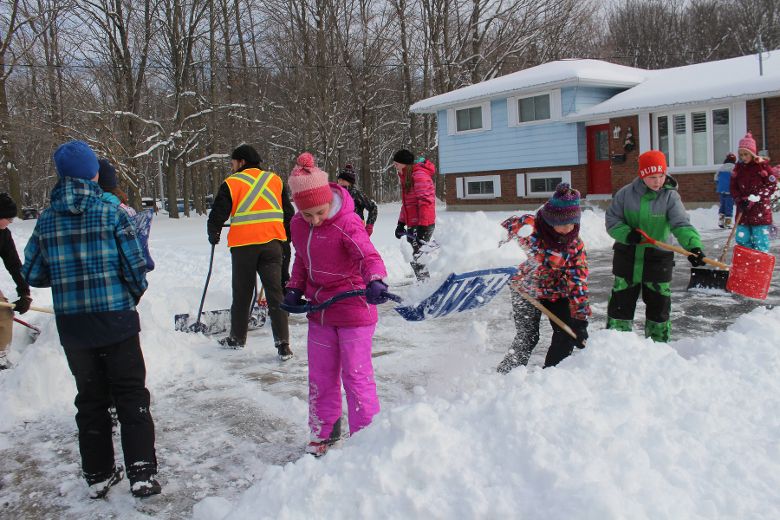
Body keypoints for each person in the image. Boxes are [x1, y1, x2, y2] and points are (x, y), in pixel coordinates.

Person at [22, 140, 159, 498]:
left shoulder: (47, 220)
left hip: (75, 327)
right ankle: (142, 473)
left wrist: (67, 273)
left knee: (90, 399)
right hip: (116, 321)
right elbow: (136, 265)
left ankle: (98, 474)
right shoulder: (110, 212)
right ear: (94, 174)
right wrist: (130, 295)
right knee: (131, 396)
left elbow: (33, 272)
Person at [283, 152, 389, 457]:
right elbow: (302, 260)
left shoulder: (347, 223)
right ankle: (323, 432)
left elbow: (368, 256)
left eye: (320, 211)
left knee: (356, 375)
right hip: (320, 311)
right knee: (320, 375)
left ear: (328, 200)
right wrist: (294, 288)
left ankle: (366, 437)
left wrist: (376, 279)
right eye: (308, 214)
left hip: (354, 306)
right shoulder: (299, 226)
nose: (315, 220)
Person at [605, 150, 705, 343]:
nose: (657, 181)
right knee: (621, 303)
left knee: (659, 306)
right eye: (652, 177)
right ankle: (617, 345)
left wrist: (694, 247)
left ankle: (657, 346)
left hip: (658, 259)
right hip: (628, 256)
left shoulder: (670, 197)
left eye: (661, 176)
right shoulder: (625, 194)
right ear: (642, 175)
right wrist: (627, 234)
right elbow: (612, 220)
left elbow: (681, 224)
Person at [207, 144, 294, 358]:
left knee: (243, 292)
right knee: (275, 294)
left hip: (244, 246)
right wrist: (286, 239)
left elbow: (219, 213)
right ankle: (283, 344)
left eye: (233, 162)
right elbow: (288, 213)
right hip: (273, 244)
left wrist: (214, 233)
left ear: (242, 162)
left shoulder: (233, 182)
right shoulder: (275, 180)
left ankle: (237, 338)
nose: (232, 166)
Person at [496, 183, 590, 373]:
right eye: (562, 223)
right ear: (550, 219)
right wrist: (497, 256)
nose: (567, 228)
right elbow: (494, 238)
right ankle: (506, 375)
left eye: (572, 223)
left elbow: (578, 282)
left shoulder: (574, 245)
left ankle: (550, 377)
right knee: (528, 336)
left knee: (566, 333)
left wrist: (580, 320)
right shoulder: (528, 228)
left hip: (557, 291)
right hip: (524, 290)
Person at [391, 149, 436, 280]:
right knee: (414, 256)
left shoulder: (419, 176)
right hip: (414, 224)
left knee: (417, 256)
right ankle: (423, 284)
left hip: (423, 224)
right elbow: (407, 204)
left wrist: (422, 226)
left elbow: (426, 202)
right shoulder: (407, 177)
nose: (395, 167)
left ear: (405, 164)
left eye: (397, 164)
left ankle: (425, 285)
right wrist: (401, 223)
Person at [730, 132, 777, 253]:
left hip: (760, 211)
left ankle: (759, 265)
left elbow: (771, 185)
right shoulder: (738, 168)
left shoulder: (762, 167)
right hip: (743, 211)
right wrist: (739, 199)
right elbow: (733, 187)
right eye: (741, 154)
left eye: (746, 154)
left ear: (752, 153)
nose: (743, 157)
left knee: (760, 241)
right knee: (742, 238)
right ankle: (749, 260)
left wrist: (755, 198)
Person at [0, 193, 32, 370]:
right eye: (8, 218)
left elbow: (14, 264)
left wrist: (24, 292)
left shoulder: (3, 235)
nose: (11, 222)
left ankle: (0, 356)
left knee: (4, 313)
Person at [336, 163, 378, 236]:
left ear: (349, 181)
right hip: (339, 230)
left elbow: (373, 207)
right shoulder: (337, 193)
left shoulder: (356, 193)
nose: (340, 182)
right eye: (339, 179)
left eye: (343, 180)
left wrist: (369, 226)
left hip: (356, 230)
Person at [714, 153, 736, 228]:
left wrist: (720, 185)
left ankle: (721, 221)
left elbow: (716, 178)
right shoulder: (734, 168)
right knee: (729, 206)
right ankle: (728, 222)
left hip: (721, 190)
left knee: (722, 205)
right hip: (730, 190)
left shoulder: (721, 168)